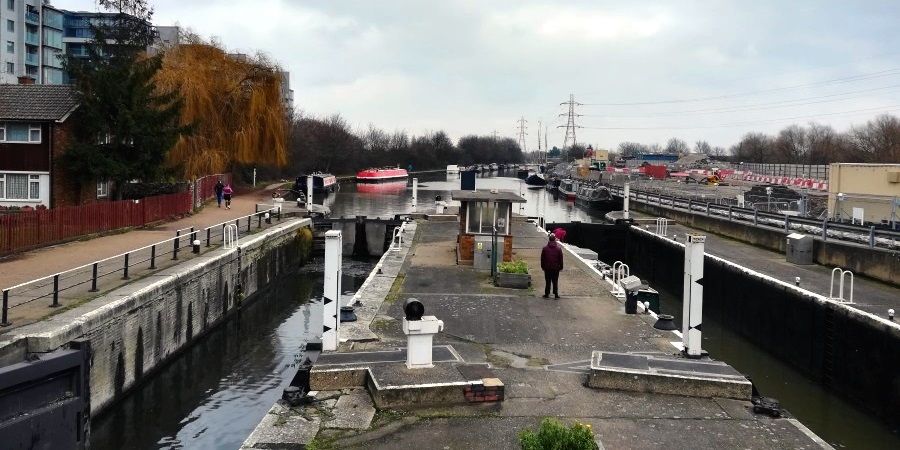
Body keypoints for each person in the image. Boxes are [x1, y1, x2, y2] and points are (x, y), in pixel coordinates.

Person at [540, 234, 563, 299]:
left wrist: (542, 267)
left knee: (548, 281)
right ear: (555, 239)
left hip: (547, 268)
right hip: (556, 268)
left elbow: (542, 259)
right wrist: (561, 267)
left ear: (549, 240)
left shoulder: (545, 249)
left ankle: (547, 294)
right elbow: (560, 259)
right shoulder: (558, 249)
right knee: (555, 281)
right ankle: (556, 294)